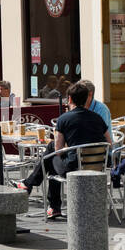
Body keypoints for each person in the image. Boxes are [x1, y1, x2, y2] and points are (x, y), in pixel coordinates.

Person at [16, 81, 109, 219]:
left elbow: (58, 150)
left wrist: (69, 148)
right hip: (97, 167)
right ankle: (41, 195)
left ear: (70, 99)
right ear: (87, 98)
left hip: (74, 169)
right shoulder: (98, 118)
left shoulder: (64, 119)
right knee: (51, 156)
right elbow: (109, 142)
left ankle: (36, 190)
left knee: (51, 151)